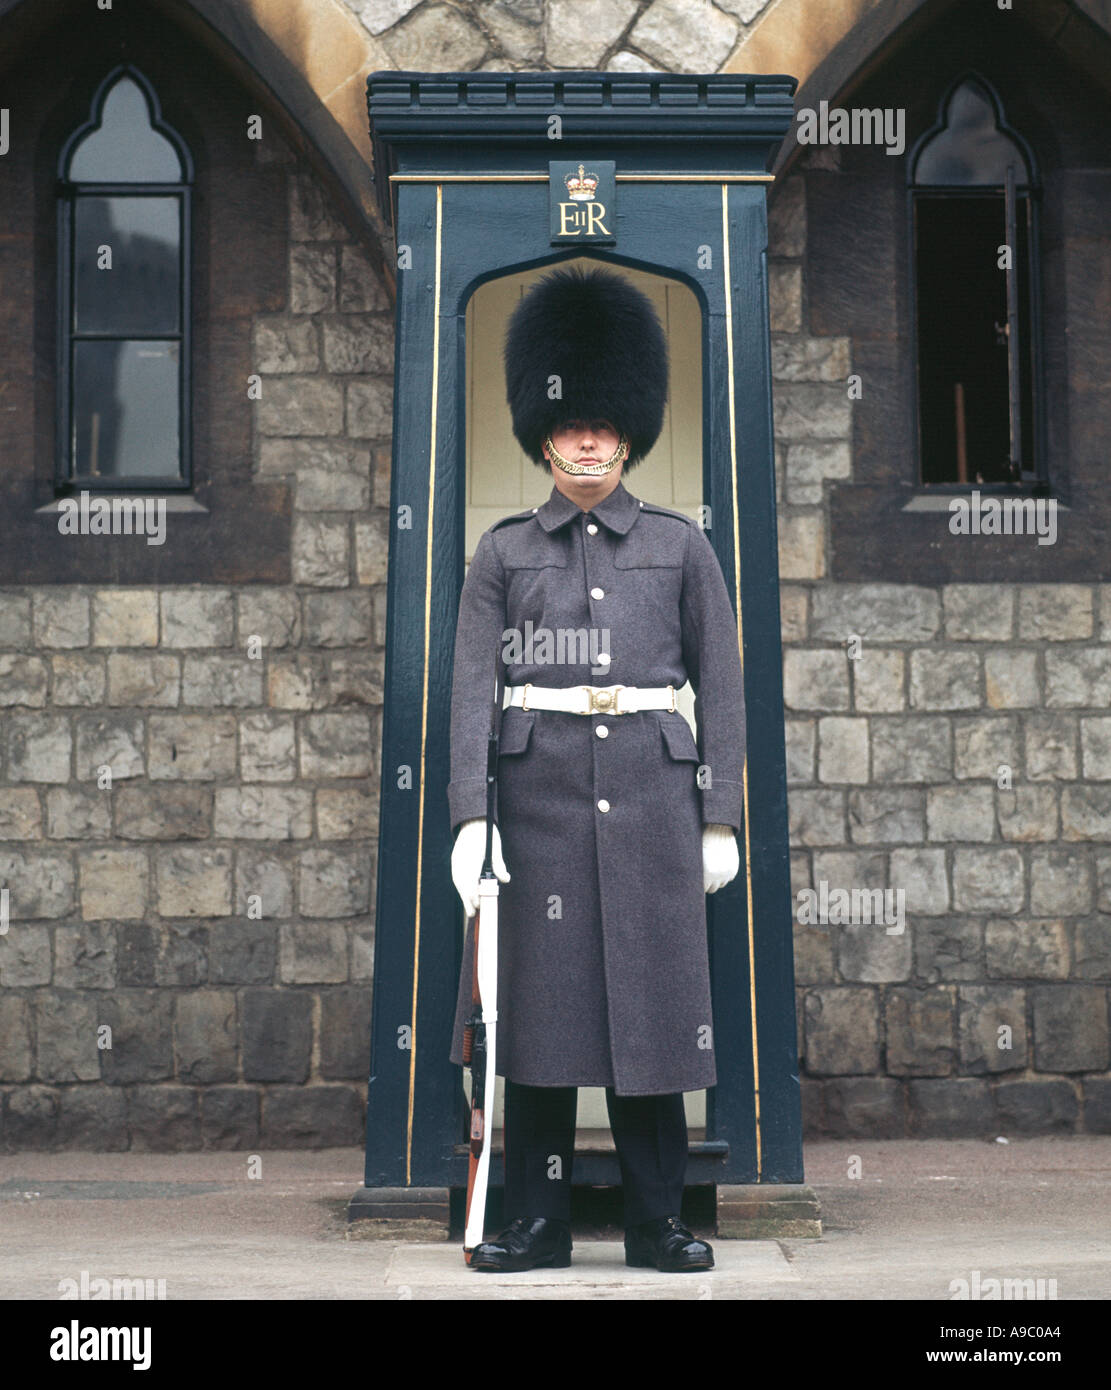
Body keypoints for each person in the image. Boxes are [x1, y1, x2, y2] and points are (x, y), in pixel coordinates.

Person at [447, 264, 746, 1273]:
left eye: (605, 424)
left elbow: (725, 685)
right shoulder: (502, 554)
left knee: (652, 1017)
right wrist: (467, 818)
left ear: (628, 432)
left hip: (656, 806)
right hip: (535, 805)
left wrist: (720, 817)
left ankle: (658, 1219)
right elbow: (471, 692)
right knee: (536, 1019)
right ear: (542, 433)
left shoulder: (679, 548)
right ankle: (534, 1224)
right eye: (571, 423)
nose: (587, 438)